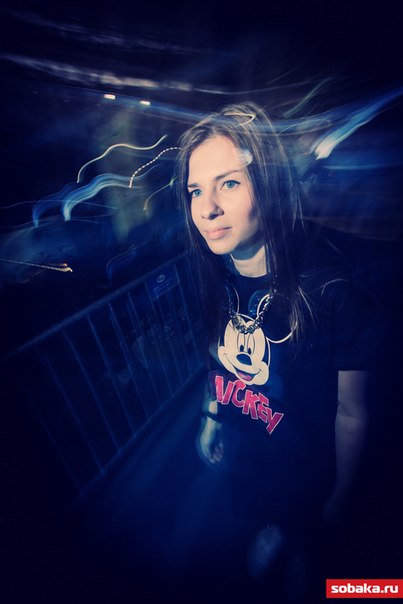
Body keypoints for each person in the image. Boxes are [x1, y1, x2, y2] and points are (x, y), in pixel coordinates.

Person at [175, 102, 374, 601]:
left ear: (269, 183)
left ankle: (304, 548)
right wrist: (211, 415)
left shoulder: (330, 290)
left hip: (308, 472)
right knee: (258, 507)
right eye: (196, 190)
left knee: (306, 538)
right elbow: (217, 357)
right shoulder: (214, 275)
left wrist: (341, 499)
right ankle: (276, 529)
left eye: (229, 183)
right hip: (248, 452)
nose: (207, 209)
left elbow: (352, 412)